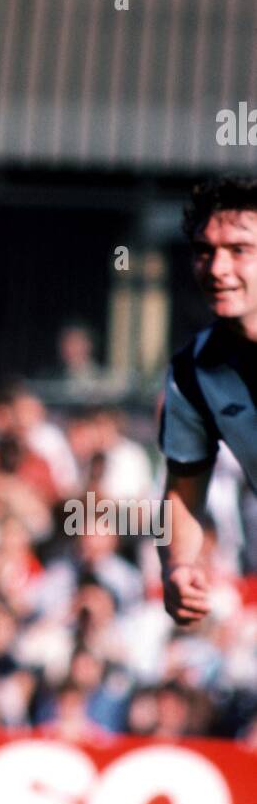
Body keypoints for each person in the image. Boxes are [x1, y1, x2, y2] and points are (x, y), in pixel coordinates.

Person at [158, 177, 257, 627]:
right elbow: (183, 490)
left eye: (239, 250)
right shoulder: (193, 372)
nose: (217, 268)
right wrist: (178, 566)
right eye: (204, 251)